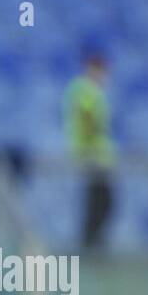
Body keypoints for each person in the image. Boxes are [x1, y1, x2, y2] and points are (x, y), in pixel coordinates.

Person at [64, 51, 115, 249]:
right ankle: (90, 245)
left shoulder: (90, 91)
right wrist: (90, 125)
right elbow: (85, 112)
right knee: (100, 202)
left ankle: (92, 244)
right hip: (92, 156)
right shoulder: (85, 90)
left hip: (99, 156)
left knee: (102, 202)